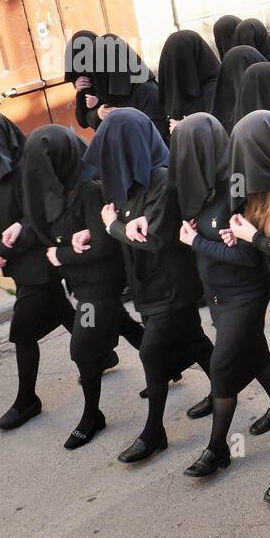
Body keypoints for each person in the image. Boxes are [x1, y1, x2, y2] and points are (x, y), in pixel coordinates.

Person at [87, 108, 215, 463]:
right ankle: (262, 396)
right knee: (198, 344)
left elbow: (156, 239)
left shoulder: (162, 179)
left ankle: (154, 432)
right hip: (147, 285)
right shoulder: (125, 182)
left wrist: (115, 226)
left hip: (173, 285)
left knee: (152, 353)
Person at [172, 114, 270, 479]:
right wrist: (198, 234)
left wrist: (197, 242)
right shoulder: (203, 187)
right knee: (254, 351)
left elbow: (246, 256)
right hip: (219, 296)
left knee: (222, 369)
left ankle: (217, 450)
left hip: (245, 294)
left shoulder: (237, 189)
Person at [22, 125, 145, 449]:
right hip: (82, 284)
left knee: (83, 349)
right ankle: (170, 362)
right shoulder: (55, 191)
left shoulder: (89, 190)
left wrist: (60, 256)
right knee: (124, 326)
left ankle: (92, 416)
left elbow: (104, 245)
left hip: (100, 286)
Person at [0, 112, 74, 430]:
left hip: (39, 261)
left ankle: (27, 401)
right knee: (69, 313)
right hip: (19, 266)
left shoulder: (27, 166)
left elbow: (44, 214)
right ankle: (118, 353)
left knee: (22, 331)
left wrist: (7, 245)